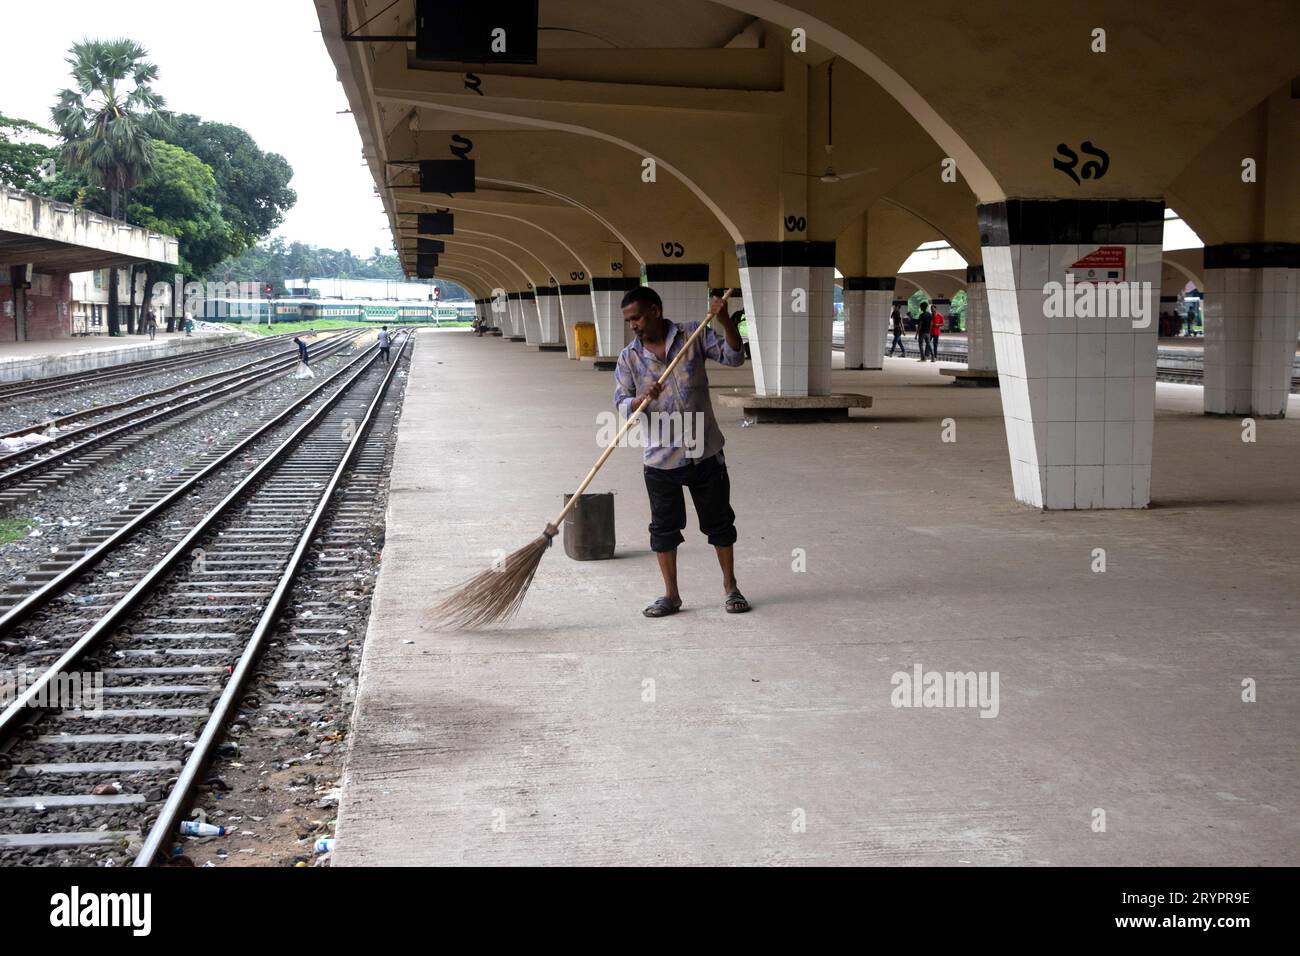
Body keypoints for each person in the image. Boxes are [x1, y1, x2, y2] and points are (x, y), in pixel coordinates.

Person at [614, 286, 750, 618]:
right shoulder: (629, 358)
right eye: (628, 320)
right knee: (664, 530)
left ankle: (731, 587)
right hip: (661, 459)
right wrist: (640, 397)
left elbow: (734, 357)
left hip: (705, 452)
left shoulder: (693, 334)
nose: (633, 325)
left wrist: (724, 322)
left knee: (719, 524)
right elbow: (622, 405)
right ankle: (671, 596)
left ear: (655, 311)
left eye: (637, 317)